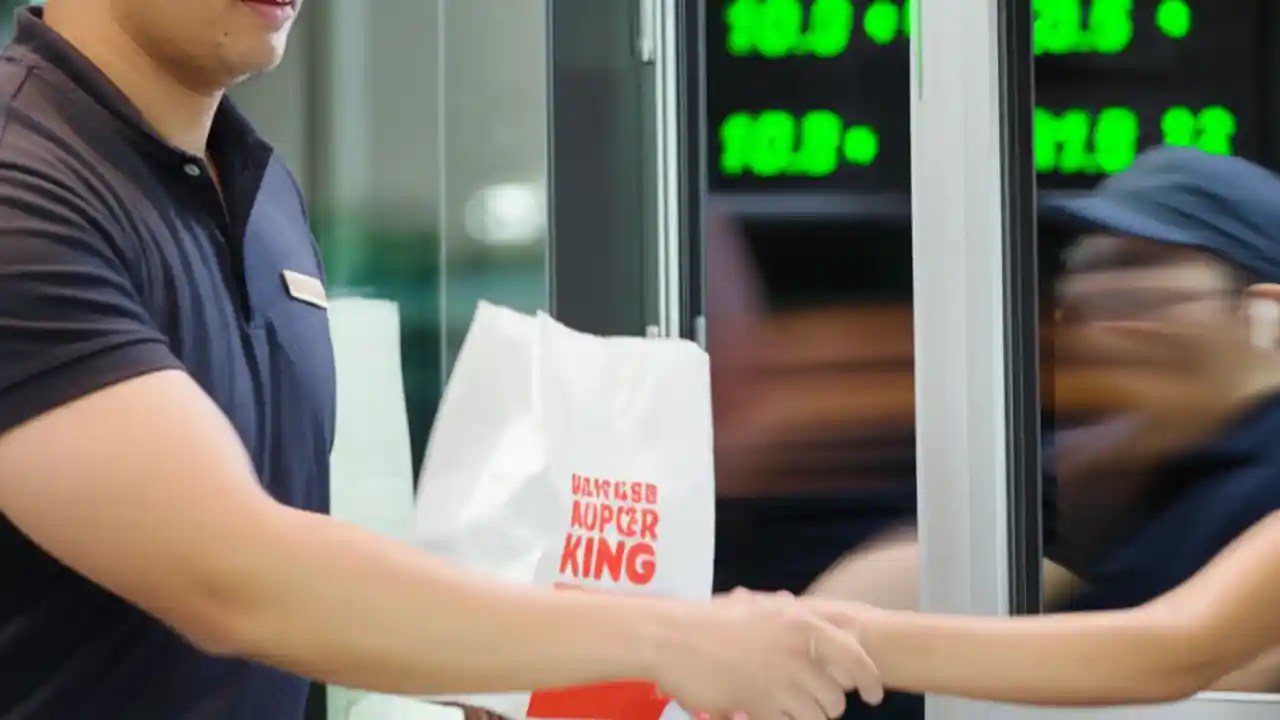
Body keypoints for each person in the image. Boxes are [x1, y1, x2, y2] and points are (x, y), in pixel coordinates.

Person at [0, 2, 882, 718]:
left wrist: (484, 666)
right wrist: (670, 641)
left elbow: (273, 634)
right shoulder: (22, 190)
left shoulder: (258, 192)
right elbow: (235, 578)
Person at [813, 146, 1280, 705]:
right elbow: (916, 575)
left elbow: (1183, 665)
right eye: (1086, 296)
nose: (1109, 326)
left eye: (1146, 295)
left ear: (1264, 314)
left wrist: (829, 641)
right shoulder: (1100, 465)